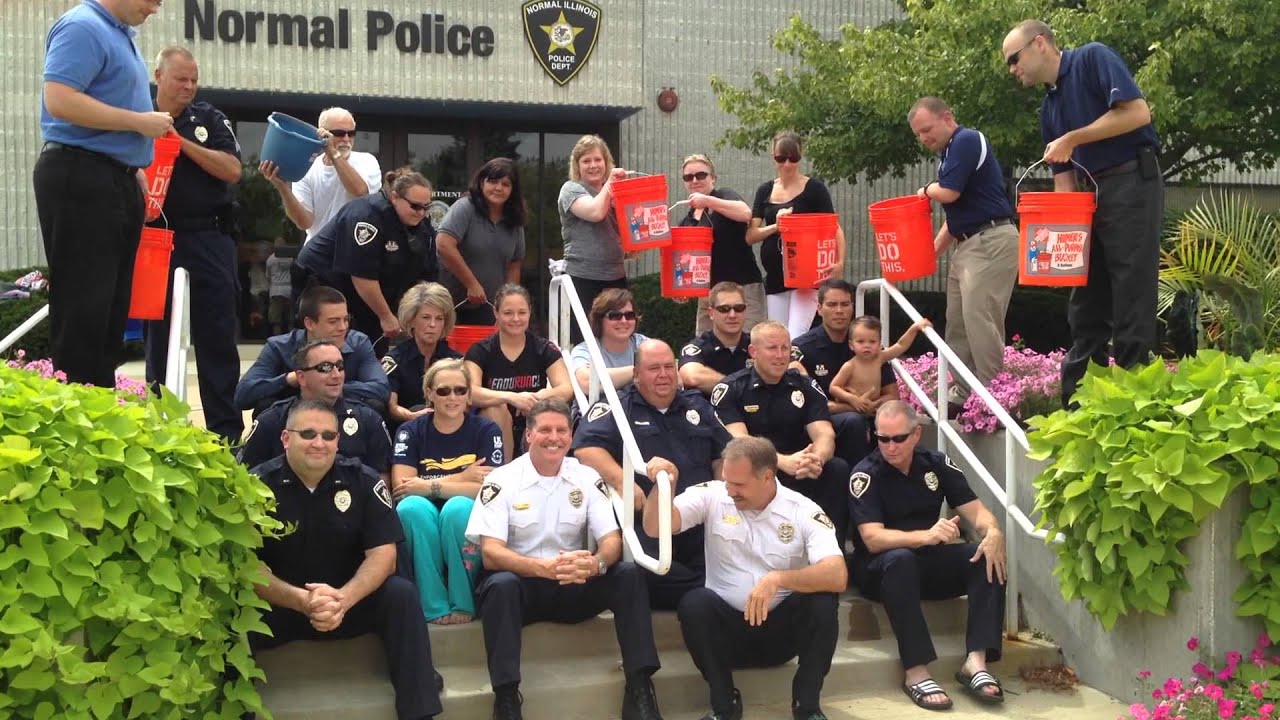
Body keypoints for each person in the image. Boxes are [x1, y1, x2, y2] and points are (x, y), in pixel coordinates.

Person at [465, 399, 664, 720]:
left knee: (628, 572)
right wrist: (541, 568)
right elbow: (490, 553)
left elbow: (611, 539)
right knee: (499, 585)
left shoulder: (586, 476)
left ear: (571, 436)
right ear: (528, 435)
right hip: (524, 588)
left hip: (572, 583)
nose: (554, 437)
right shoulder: (501, 480)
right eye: (544, 429)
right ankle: (506, 698)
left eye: (561, 430)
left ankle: (640, 687)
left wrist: (596, 563)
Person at [1003, 20, 1164, 408]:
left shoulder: (1092, 58)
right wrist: (1061, 245)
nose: (1012, 69)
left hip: (1131, 180)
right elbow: (1064, 184)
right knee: (1085, 296)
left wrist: (1074, 138)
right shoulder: (1050, 108)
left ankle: (1133, 395)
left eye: (1014, 58)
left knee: (1130, 290)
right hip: (1088, 197)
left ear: (1039, 44)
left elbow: (1138, 113)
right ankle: (1078, 402)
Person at [248, 400, 442, 720]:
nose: (319, 443)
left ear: (338, 440)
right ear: (285, 439)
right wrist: (301, 600)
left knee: (401, 594)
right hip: (282, 608)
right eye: (308, 433)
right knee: (228, 605)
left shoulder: (364, 482)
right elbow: (247, 566)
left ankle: (419, 711)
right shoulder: (256, 487)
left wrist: (342, 600)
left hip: (349, 606)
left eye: (328, 435)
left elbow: (383, 556)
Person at [645, 436, 845, 720]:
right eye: (727, 481)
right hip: (727, 634)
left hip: (781, 634)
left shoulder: (803, 510)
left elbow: (837, 574)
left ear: (767, 476)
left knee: (824, 600)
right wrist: (664, 488)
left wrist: (778, 579)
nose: (729, 490)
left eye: (738, 484)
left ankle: (807, 705)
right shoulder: (713, 495)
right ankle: (724, 706)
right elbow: (654, 528)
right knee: (695, 603)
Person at [34, 0, 173, 388]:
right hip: (82, 176)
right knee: (84, 310)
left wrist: (132, 168)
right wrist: (138, 124)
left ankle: (97, 411)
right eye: (153, 0)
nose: (155, 9)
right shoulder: (83, 26)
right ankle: (76, 417)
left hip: (112, 177)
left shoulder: (117, 34)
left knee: (109, 313)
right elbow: (59, 99)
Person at [849, 401, 1007, 711]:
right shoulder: (865, 474)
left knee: (984, 553)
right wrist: (925, 536)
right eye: (883, 438)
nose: (890, 446)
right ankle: (916, 671)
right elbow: (873, 538)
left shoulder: (936, 463)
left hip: (925, 564)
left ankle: (976, 662)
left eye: (898, 438)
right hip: (880, 570)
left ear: (916, 434)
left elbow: (976, 512)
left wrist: (993, 533)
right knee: (901, 559)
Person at [574, 340, 731, 609]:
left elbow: (723, 453)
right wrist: (623, 481)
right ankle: (706, 593)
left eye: (669, 366)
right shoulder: (619, 407)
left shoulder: (697, 405)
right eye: (654, 368)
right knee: (647, 570)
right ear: (636, 374)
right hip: (648, 523)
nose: (663, 374)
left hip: (697, 520)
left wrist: (725, 489)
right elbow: (586, 449)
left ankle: (704, 592)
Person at [143, 47, 243, 444]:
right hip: (158, 238)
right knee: (160, 338)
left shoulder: (209, 119)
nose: (187, 86)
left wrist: (179, 141)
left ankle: (226, 437)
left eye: (193, 79)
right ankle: (160, 429)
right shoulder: (138, 114)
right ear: (159, 76)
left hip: (209, 238)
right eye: (180, 78)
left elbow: (233, 169)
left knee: (217, 337)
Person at [908, 96, 1019, 417]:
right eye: (918, 134)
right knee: (957, 320)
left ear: (947, 117)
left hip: (991, 239)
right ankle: (963, 390)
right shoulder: (947, 155)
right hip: (968, 242)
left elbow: (949, 193)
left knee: (980, 317)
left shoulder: (967, 140)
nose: (923, 138)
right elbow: (956, 220)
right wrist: (928, 255)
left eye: (927, 129)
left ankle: (993, 394)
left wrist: (926, 190)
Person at [710, 321, 851, 544]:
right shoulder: (732, 389)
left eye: (785, 348)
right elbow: (739, 440)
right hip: (759, 471)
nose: (780, 355)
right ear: (753, 352)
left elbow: (824, 433)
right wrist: (781, 462)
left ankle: (831, 550)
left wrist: (817, 459)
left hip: (802, 466)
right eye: (772, 348)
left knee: (837, 469)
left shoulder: (805, 385)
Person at [392, 359, 503, 625]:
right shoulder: (410, 431)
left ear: (469, 394)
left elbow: (488, 491)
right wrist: (462, 477)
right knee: (411, 509)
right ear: (429, 393)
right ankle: (433, 604)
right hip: (423, 508)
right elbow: (403, 489)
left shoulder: (486, 430)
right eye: (443, 391)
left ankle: (463, 600)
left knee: (457, 508)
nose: (452, 397)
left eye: (460, 390)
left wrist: (430, 485)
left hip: (461, 509)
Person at [294, 167, 438, 344]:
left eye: (426, 207)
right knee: (328, 343)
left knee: (373, 345)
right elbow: (362, 276)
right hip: (326, 281)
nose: (421, 212)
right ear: (394, 197)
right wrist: (385, 316)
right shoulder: (365, 216)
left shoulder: (422, 226)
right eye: (415, 206)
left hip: (373, 292)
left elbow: (426, 275)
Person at [237, 339, 391, 479]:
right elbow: (245, 477)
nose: (336, 375)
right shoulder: (272, 420)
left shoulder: (368, 419)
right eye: (325, 367)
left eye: (340, 366)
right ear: (301, 377)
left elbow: (382, 479)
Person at [747, 132, 845, 339]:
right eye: (781, 158)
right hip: (775, 276)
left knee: (795, 336)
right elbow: (751, 235)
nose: (788, 164)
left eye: (794, 158)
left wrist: (840, 261)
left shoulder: (814, 188)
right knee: (777, 338)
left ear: (801, 156)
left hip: (806, 276)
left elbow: (833, 226)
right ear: (773, 156)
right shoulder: (765, 190)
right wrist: (776, 226)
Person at [235, 285, 389, 417]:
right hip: (292, 420)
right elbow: (243, 395)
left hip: (344, 418)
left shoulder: (358, 342)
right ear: (309, 323)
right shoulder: (279, 347)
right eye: (333, 321)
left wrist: (325, 386)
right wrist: (290, 380)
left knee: (375, 405)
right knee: (266, 405)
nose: (343, 327)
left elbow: (381, 389)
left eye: (345, 319)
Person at [465, 284, 574, 455]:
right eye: (508, 313)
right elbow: (470, 392)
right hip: (491, 426)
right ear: (496, 313)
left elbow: (566, 389)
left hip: (530, 422)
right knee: (496, 409)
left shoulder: (544, 348)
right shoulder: (480, 350)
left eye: (522, 313)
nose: (516, 319)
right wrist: (512, 398)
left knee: (547, 413)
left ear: (530, 312)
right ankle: (503, 476)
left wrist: (533, 399)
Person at [788, 279, 879, 468]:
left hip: (867, 413)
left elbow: (891, 393)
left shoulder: (866, 342)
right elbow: (809, 406)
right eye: (832, 304)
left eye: (845, 304)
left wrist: (874, 405)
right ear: (819, 309)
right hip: (818, 423)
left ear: (852, 307)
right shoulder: (801, 348)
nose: (839, 310)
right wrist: (855, 406)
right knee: (854, 421)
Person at [260, 106, 382, 244]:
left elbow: (360, 191)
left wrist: (333, 153)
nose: (347, 139)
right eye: (339, 133)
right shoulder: (308, 167)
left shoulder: (367, 160)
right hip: (318, 251)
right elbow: (304, 222)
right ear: (322, 134)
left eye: (351, 133)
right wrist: (282, 187)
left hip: (354, 250)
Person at [678, 154, 766, 334]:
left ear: (713, 178)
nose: (694, 180)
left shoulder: (724, 196)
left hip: (743, 287)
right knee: (705, 345)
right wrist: (682, 288)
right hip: (709, 294)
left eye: (701, 175)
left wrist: (708, 200)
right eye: (688, 177)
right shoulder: (688, 220)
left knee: (748, 342)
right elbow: (685, 261)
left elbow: (745, 213)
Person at [436, 158, 527, 325]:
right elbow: (444, 244)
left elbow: (514, 265)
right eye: (493, 182)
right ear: (481, 182)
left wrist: (508, 305)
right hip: (453, 307)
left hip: (490, 309)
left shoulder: (515, 219)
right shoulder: (465, 207)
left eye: (506, 184)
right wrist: (471, 284)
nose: (499, 188)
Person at [559, 134, 630, 344]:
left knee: (618, 336)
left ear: (606, 162)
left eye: (598, 160)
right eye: (586, 161)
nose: (593, 165)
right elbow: (595, 212)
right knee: (584, 340)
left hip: (615, 276)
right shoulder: (571, 189)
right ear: (577, 165)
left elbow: (629, 229)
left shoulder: (614, 191)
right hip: (583, 277)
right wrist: (611, 183)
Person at [383, 282, 462, 428]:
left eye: (439, 318)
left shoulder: (456, 361)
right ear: (411, 320)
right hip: (408, 427)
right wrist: (412, 416)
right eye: (426, 317)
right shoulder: (394, 360)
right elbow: (391, 407)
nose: (432, 324)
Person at [828, 316, 929, 414]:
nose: (866, 345)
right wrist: (853, 399)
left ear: (879, 343)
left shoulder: (879, 358)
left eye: (872, 341)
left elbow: (900, 345)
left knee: (892, 407)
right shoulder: (850, 366)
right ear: (851, 345)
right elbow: (834, 387)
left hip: (875, 407)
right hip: (853, 407)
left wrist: (914, 328)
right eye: (860, 341)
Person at [569, 288, 651, 395]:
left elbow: (672, 376)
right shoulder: (585, 350)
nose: (624, 321)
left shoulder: (644, 344)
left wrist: (601, 374)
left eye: (629, 315)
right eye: (615, 316)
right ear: (599, 319)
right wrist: (638, 371)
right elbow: (587, 382)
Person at [679, 281, 752, 396]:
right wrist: (743, 389)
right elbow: (691, 376)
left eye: (739, 308)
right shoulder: (697, 346)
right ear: (711, 313)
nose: (732, 315)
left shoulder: (757, 345)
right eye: (724, 309)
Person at [266, 241, 296, 335]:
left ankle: (277, 338)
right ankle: (292, 340)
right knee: (290, 319)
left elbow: (268, 276)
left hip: (275, 291)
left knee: (276, 321)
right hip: (289, 290)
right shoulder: (291, 259)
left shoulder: (271, 259)